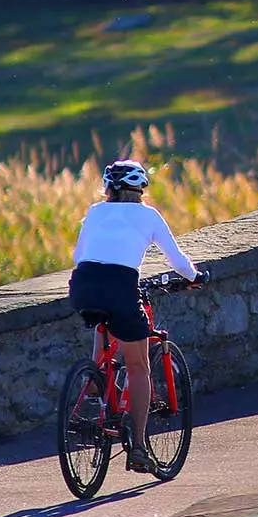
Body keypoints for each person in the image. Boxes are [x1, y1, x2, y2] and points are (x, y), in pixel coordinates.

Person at [68, 159, 203, 473]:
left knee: (104, 323)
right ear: (141, 189)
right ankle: (140, 448)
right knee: (138, 365)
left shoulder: (95, 211)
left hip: (84, 285)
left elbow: (79, 255)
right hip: (121, 287)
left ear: (108, 189)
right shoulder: (148, 215)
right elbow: (179, 262)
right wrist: (195, 276)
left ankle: (94, 383)